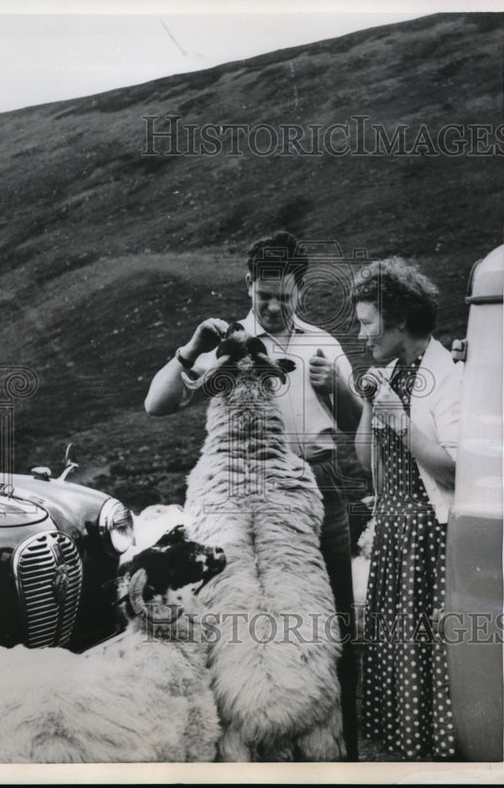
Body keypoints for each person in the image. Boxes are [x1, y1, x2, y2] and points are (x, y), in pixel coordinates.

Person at [145, 230, 362, 760]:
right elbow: (157, 403)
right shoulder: (225, 342)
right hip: (236, 495)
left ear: (302, 292)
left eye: (283, 298)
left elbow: (360, 426)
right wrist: (191, 350)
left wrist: (336, 387)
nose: (271, 306)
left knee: (327, 624)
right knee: (235, 616)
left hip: (310, 494)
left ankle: (338, 747)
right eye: (262, 295)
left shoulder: (322, 347)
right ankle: (246, 737)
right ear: (248, 284)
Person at [352, 257, 463, 760]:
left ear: (397, 318)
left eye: (366, 321)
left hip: (428, 534)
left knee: (428, 638)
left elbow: (454, 469)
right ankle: (404, 739)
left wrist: (397, 419)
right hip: (394, 527)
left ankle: (437, 744)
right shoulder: (392, 372)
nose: (361, 334)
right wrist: (373, 405)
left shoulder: (448, 376)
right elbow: (364, 460)